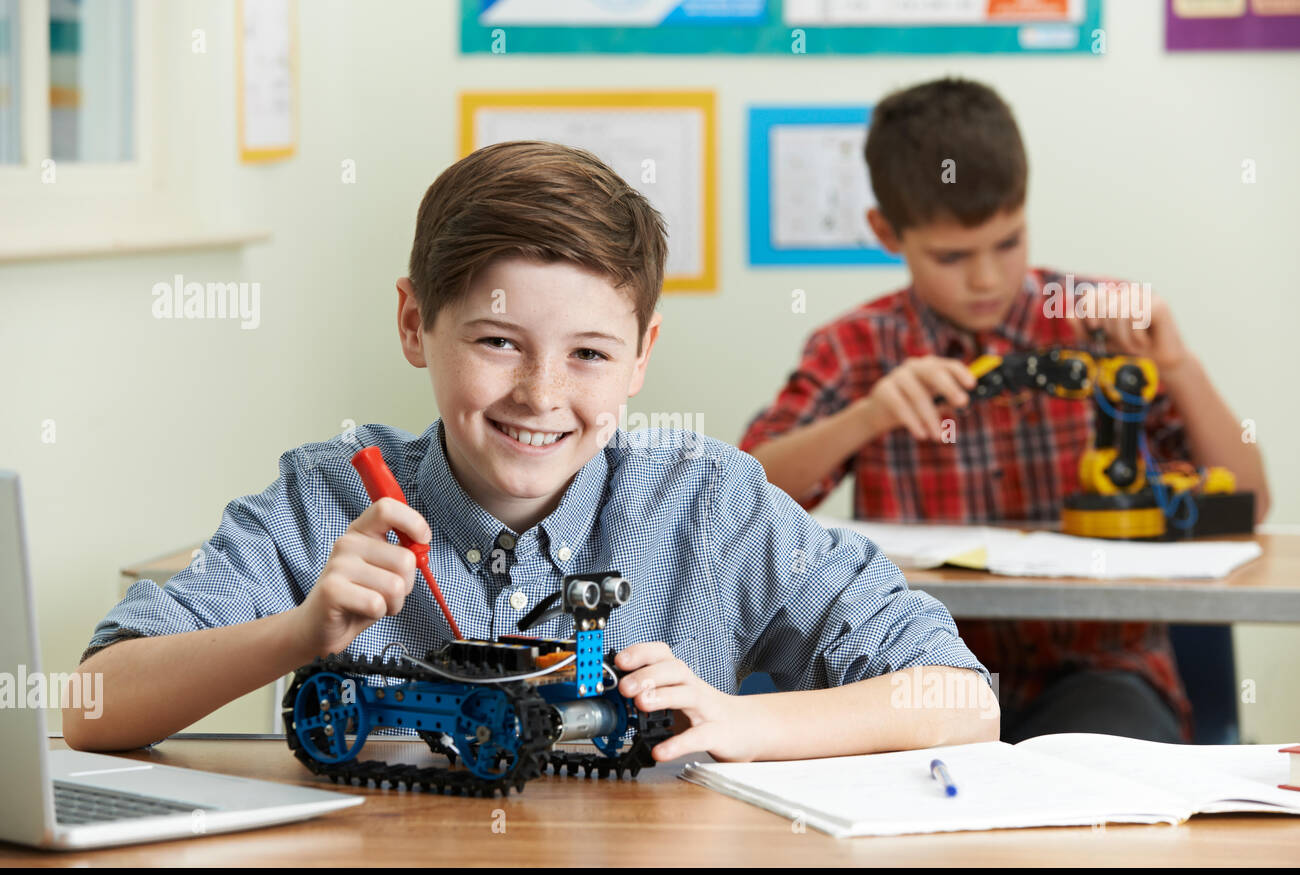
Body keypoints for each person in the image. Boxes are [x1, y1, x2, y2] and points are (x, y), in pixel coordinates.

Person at [64, 140, 997, 760]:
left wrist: (747, 720)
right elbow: (91, 705)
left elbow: (965, 701)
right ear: (414, 322)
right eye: (498, 342)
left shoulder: (710, 503)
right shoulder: (325, 499)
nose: (542, 396)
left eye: (589, 354)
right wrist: (297, 634)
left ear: (641, 359)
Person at [740, 78, 1269, 744]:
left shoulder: (1101, 323)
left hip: (1096, 672)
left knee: (1096, 804)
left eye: (1008, 242)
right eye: (952, 256)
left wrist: (1179, 367)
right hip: (914, 673)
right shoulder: (857, 347)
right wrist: (866, 417)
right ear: (885, 232)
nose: (987, 278)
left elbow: (1249, 501)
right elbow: (745, 498)